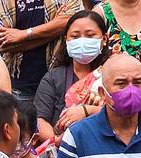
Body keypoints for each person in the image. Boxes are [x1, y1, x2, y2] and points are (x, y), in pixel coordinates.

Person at [33, 10, 109, 144]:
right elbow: (40, 119)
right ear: (66, 40)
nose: (82, 41)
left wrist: (89, 110)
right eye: (75, 36)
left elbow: (126, 111)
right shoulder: (54, 77)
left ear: (104, 39)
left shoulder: (114, 73)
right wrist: (57, 141)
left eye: (90, 35)